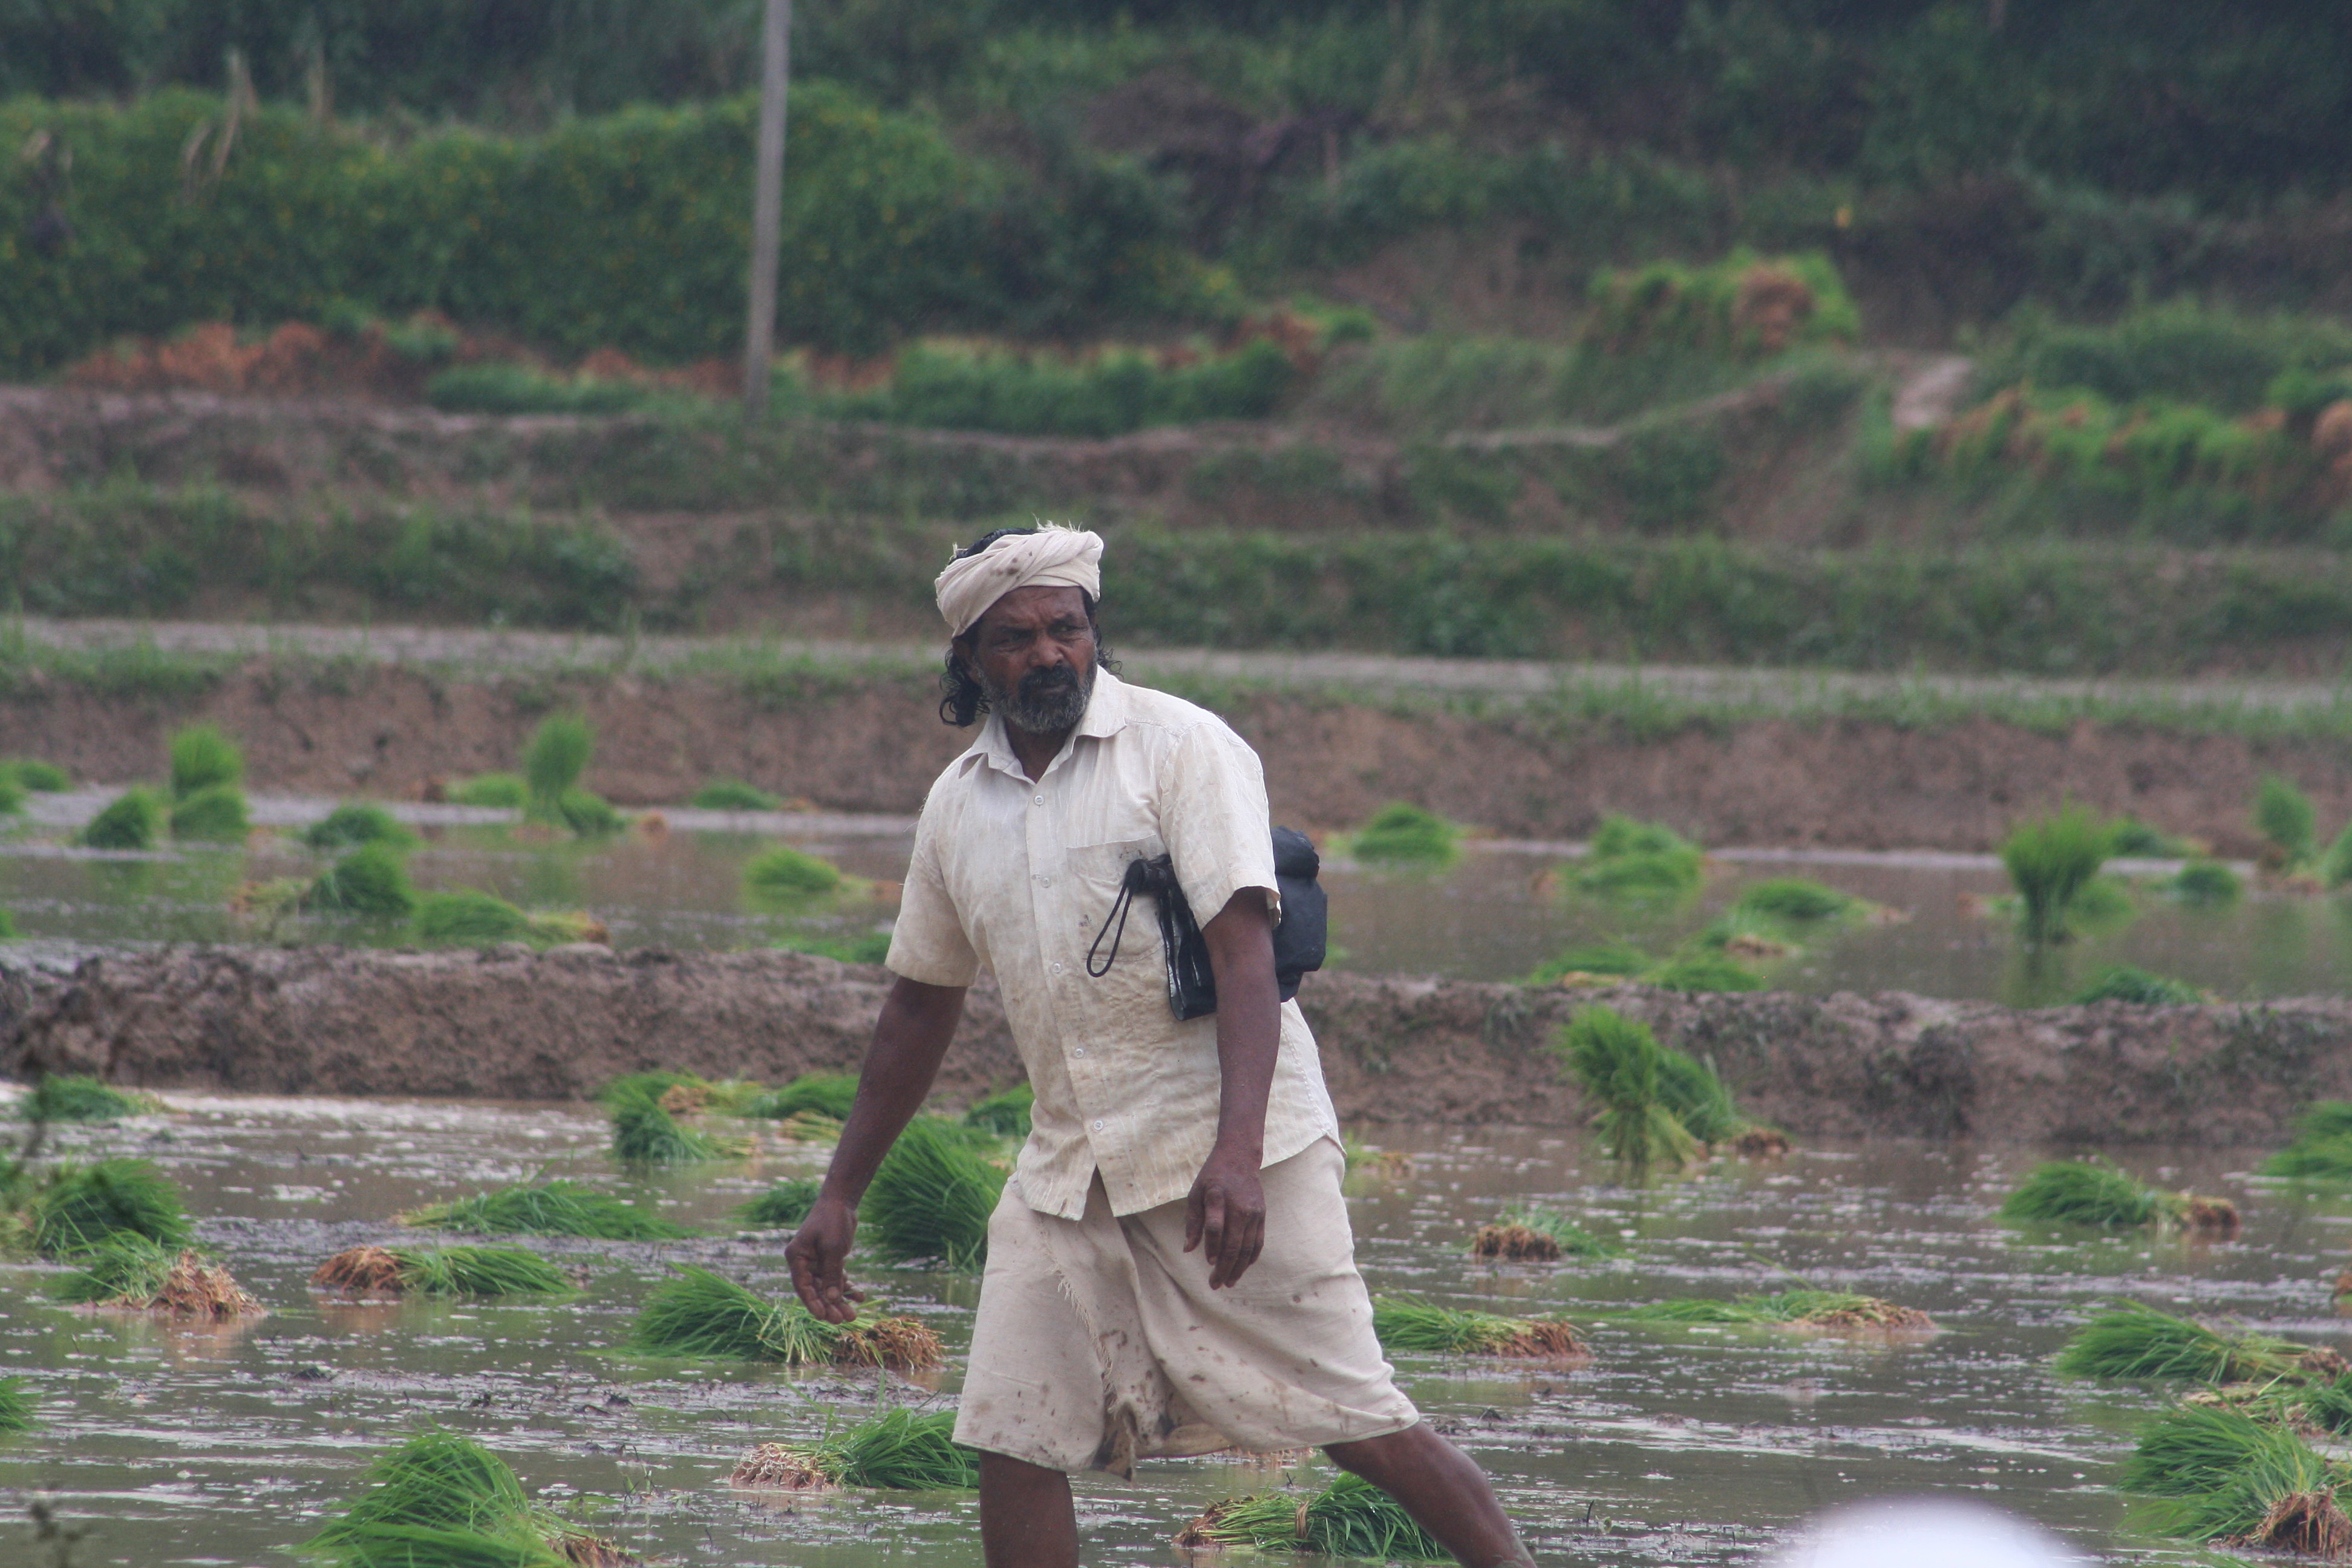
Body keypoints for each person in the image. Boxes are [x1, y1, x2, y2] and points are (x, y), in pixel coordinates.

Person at [786, 524, 1532, 1568]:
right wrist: (840, 1193)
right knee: (1013, 1430)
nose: (1050, 653)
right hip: (1067, 1175)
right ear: (969, 663)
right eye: (1016, 638)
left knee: (1358, 1420)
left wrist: (1235, 1153)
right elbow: (919, 1006)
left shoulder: (1181, 750)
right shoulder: (959, 806)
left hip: (1231, 1153)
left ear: (1095, 633)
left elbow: (1243, 955)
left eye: (1068, 628)